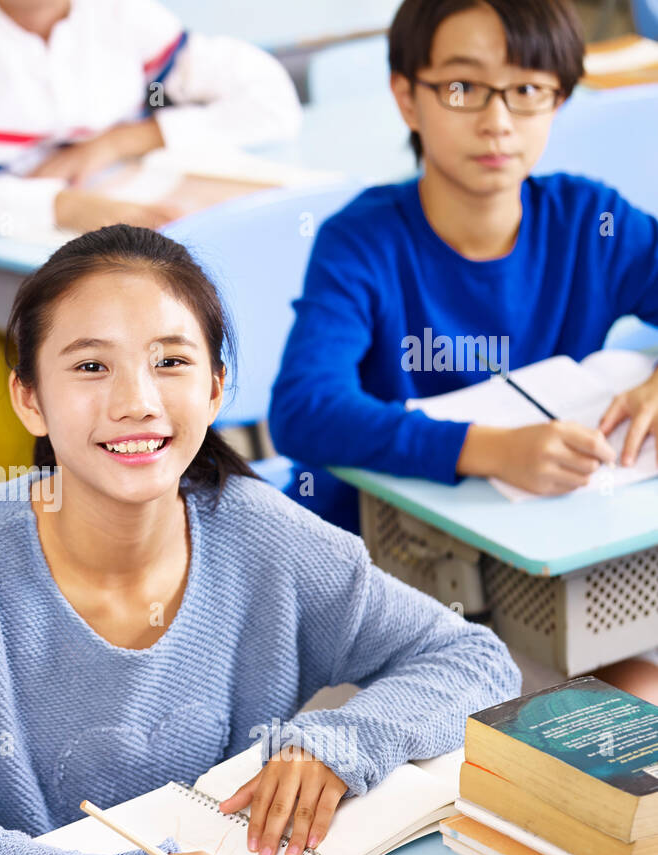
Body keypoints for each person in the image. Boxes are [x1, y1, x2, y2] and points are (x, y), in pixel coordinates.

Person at [0, 224, 520, 855]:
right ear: (29, 400)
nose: (137, 402)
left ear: (215, 387)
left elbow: (474, 660)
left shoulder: (258, 531)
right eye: (90, 366)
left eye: (170, 361)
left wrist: (342, 740)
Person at [267, 0, 658, 698]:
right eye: (461, 87)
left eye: (528, 89)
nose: (498, 119)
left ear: (558, 100)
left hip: (545, 552)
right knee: (610, 697)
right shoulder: (362, 242)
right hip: (391, 565)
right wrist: (489, 448)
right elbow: (304, 409)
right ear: (407, 97)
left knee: (634, 690)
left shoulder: (589, 222)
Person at [0, 0, 302, 473]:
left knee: (149, 441)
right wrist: (57, 203)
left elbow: (270, 102)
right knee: (30, 465)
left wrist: (119, 141)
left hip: (88, 298)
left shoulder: (122, 15)